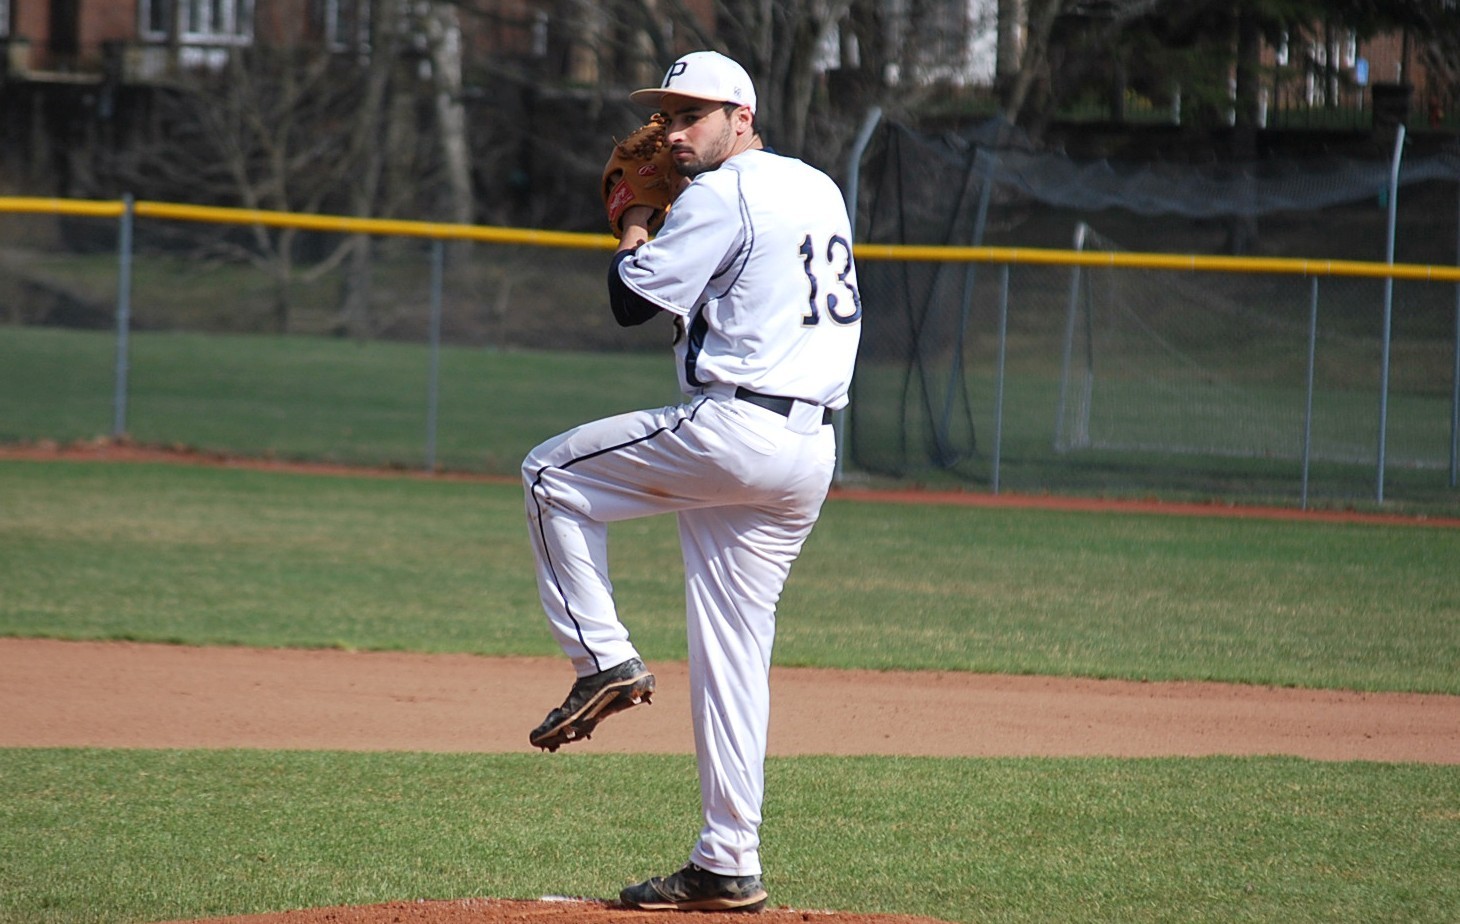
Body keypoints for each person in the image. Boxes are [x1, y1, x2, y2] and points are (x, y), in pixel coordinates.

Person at [522, 49, 863, 912]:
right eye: (667, 115)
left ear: (741, 119)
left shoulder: (720, 192)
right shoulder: (817, 184)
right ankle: (726, 860)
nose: (673, 132)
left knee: (550, 475)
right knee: (733, 659)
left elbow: (634, 300)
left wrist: (635, 220)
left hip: (737, 430)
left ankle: (601, 658)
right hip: (809, 453)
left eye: (693, 115)